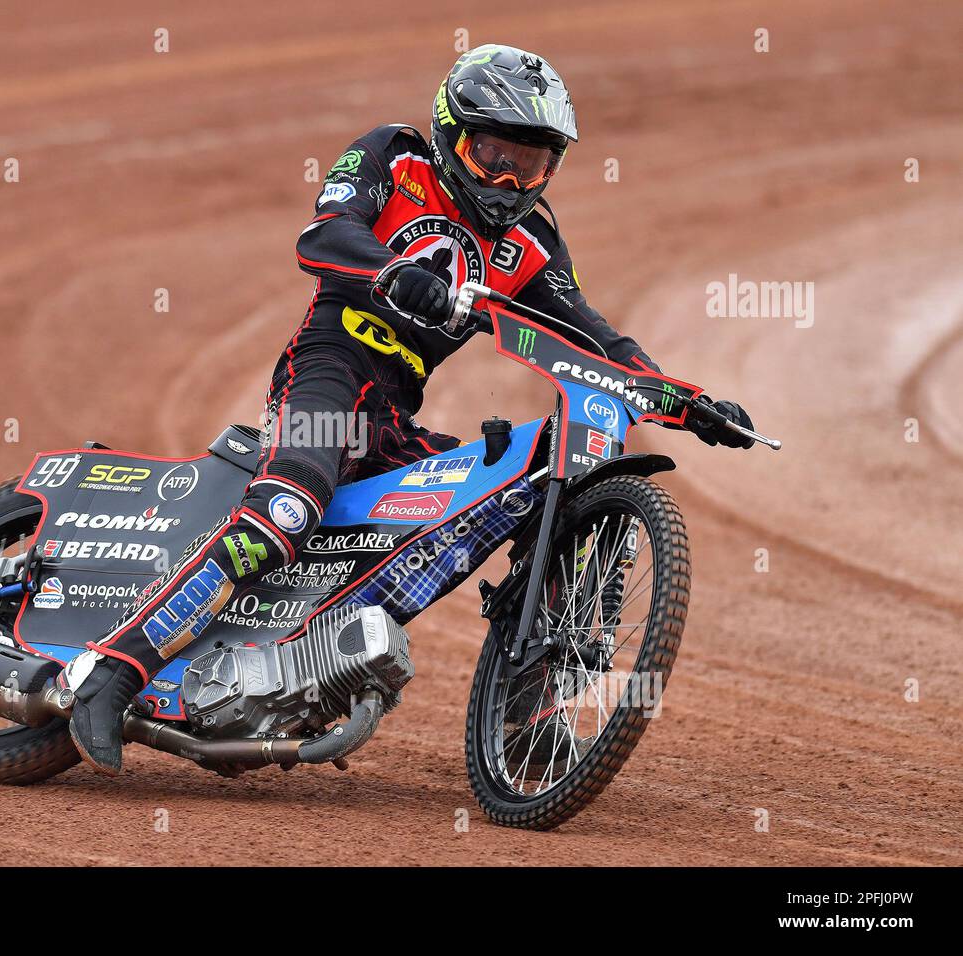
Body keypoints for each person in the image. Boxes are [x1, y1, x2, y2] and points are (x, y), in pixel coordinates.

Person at [57, 43, 754, 774]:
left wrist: (692, 404)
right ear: (452, 134)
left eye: (533, 163)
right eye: (494, 155)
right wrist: (394, 270)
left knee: (526, 497)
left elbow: (596, 337)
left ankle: (528, 718)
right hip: (327, 371)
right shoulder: (394, 157)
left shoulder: (531, 240)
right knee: (288, 511)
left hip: (392, 420)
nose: (512, 180)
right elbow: (322, 236)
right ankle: (113, 672)